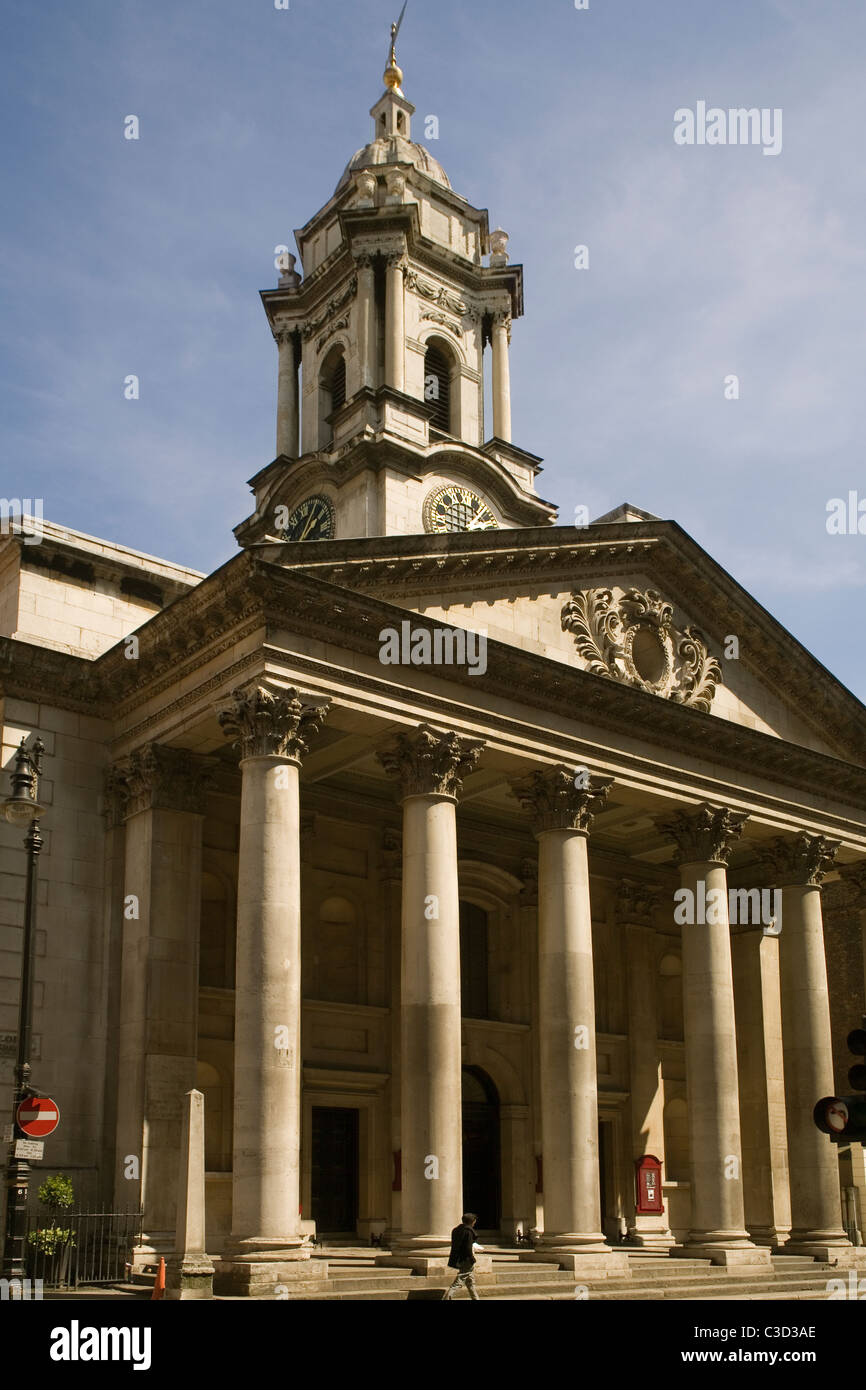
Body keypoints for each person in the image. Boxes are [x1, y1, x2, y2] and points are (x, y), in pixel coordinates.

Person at [444, 1213, 483, 1300]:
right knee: (460, 1280)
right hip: (467, 1260)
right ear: (471, 1222)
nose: (475, 1223)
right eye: (474, 1221)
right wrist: (472, 1259)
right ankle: (447, 1297)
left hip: (459, 1258)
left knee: (470, 1282)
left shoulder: (456, 1230)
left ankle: (475, 1298)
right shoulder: (468, 1232)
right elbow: (468, 1247)